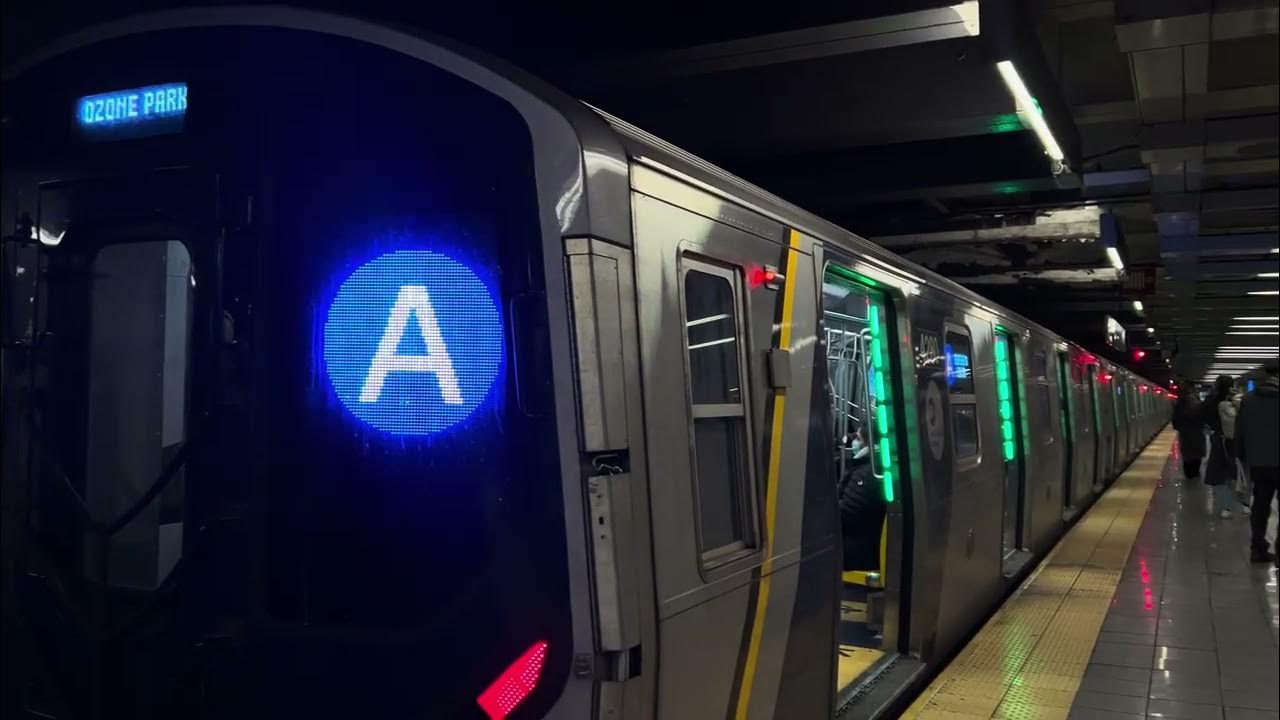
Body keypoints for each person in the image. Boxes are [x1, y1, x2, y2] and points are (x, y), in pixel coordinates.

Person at [1237, 362, 1279, 564]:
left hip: (1259, 463)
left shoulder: (1248, 399)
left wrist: (1241, 456)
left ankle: (1258, 548)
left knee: (1260, 506)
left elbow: (1240, 431)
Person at [838, 427, 886, 571]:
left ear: (869, 443)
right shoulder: (872, 464)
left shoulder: (867, 473)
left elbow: (847, 514)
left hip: (858, 547)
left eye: (858, 439)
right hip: (866, 540)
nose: (854, 442)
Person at [1201, 375, 1237, 517]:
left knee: (1220, 474)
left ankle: (1226, 507)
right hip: (1236, 440)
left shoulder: (1211, 400)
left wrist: (1212, 427)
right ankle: (1244, 504)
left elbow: (1200, 415)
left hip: (1219, 439)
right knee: (1235, 472)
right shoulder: (1236, 399)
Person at [1172, 391, 1205, 480]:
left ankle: (1189, 473)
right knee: (1198, 453)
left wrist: (1180, 427)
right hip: (1198, 433)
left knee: (1187, 454)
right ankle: (1196, 472)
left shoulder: (1179, 406)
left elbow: (1175, 422)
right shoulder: (1199, 406)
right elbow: (1204, 420)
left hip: (1185, 434)